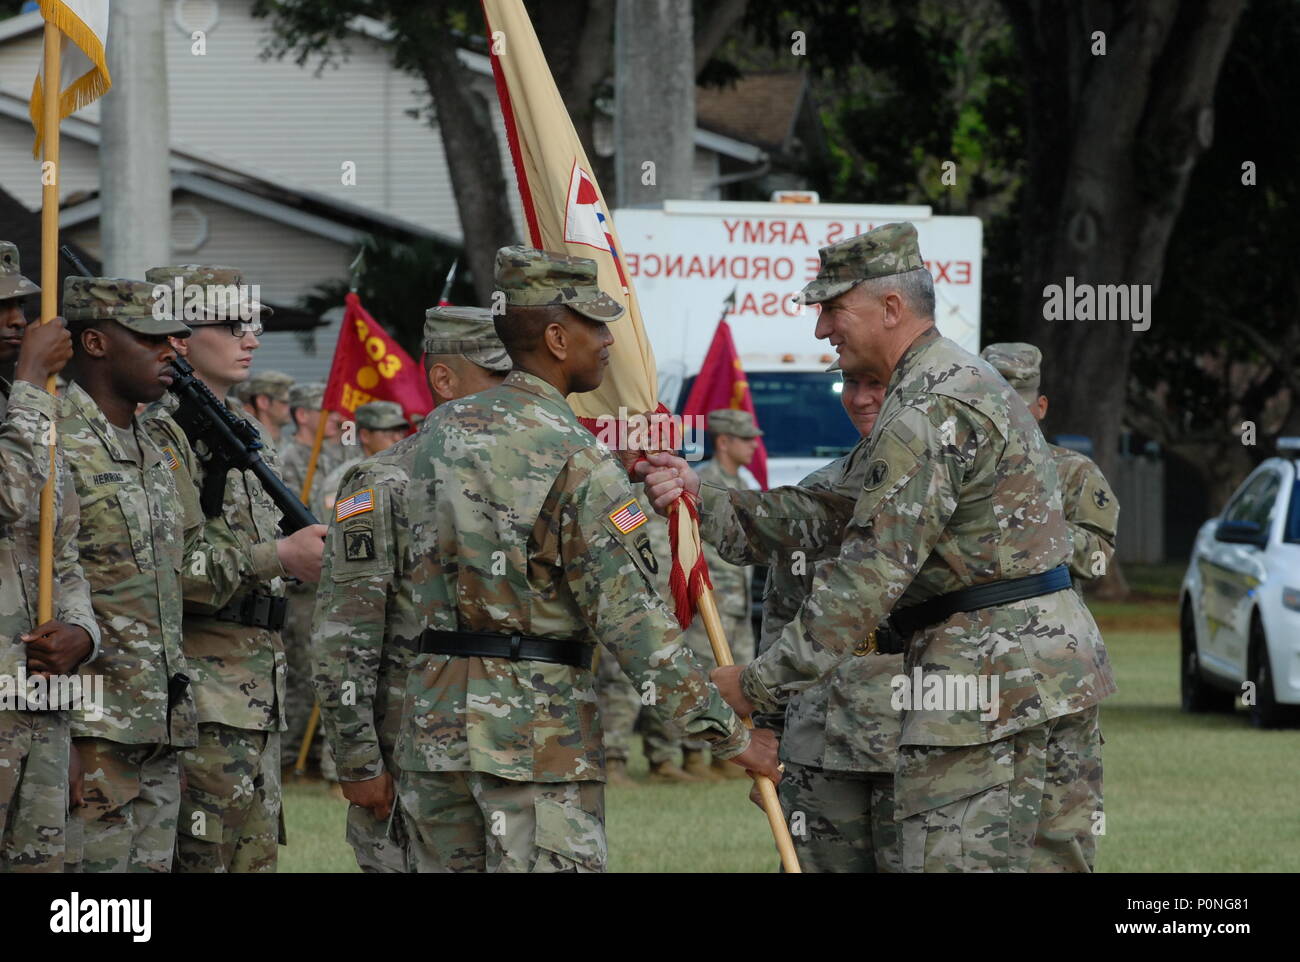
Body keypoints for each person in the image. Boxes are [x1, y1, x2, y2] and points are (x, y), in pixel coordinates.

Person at [641, 222, 1115, 873]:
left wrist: (755, 685)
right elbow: (832, 513)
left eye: (833, 309)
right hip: (1050, 676)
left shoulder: (925, 411)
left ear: (891, 308)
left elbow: (866, 577)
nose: (820, 330)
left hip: (982, 688)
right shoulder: (964, 384)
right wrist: (703, 498)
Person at [393, 246, 778, 872]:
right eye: (596, 326)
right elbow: (635, 628)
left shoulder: (432, 436)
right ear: (554, 337)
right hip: (533, 738)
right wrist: (731, 738)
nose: (607, 341)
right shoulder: (577, 459)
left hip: (433, 730)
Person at [141, 264, 327, 872]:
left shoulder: (239, 430)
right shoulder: (162, 434)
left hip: (253, 693)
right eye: (232, 324)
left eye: (254, 324)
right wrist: (281, 556)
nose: (251, 338)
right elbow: (165, 569)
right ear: (178, 334)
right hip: (201, 696)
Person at [313, 305, 508, 873]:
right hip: (415, 755)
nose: (510, 391)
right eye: (494, 376)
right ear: (444, 379)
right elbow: (344, 636)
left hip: (515, 751)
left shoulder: (536, 477)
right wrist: (357, 761)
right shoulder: (382, 482)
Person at [59, 277, 198, 873]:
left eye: (174, 336)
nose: (170, 349)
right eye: (149, 337)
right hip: (90, 731)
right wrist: (54, 736)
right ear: (95, 342)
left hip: (157, 727)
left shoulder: (155, 447)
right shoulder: (52, 440)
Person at [754, 360, 902, 872]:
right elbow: (781, 619)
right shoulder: (818, 491)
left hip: (922, 737)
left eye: (876, 383)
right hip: (822, 741)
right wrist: (768, 732)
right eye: (851, 384)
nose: (861, 398)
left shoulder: (962, 491)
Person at [0, 241, 102, 873]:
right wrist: (32, 385)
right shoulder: (29, 405)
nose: (17, 319)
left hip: (30, 703)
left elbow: (58, 548)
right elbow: (8, 498)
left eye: (21, 305)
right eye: (0, 305)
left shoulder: (25, 412)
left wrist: (80, 634)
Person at [642, 408, 759, 782]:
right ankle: (686, 754)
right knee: (699, 677)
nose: (754, 445)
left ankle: (724, 754)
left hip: (736, 602)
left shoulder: (743, 481)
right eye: (746, 438)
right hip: (706, 600)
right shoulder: (699, 483)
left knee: (736, 676)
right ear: (724, 441)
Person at [980, 343, 1120, 587]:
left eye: (1018, 409)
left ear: (1041, 407)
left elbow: (1099, 560)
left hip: (1044, 621)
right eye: (995, 409)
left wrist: (1034, 527)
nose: (1008, 419)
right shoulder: (954, 466)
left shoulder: (1073, 471)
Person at [277, 381, 349, 774]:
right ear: (303, 415)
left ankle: (317, 754)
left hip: (333, 581)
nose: (337, 417)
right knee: (301, 674)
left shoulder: (342, 455)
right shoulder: (287, 459)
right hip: (301, 585)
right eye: (327, 410)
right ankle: (291, 760)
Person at [315, 401, 410, 516]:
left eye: (400, 431)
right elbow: (331, 525)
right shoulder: (347, 480)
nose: (397, 438)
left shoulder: (411, 470)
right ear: (365, 435)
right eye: (388, 431)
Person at [242, 370, 295, 447]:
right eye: (284, 402)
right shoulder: (250, 447)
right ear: (263, 402)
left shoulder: (289, 447)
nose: (290, 407)